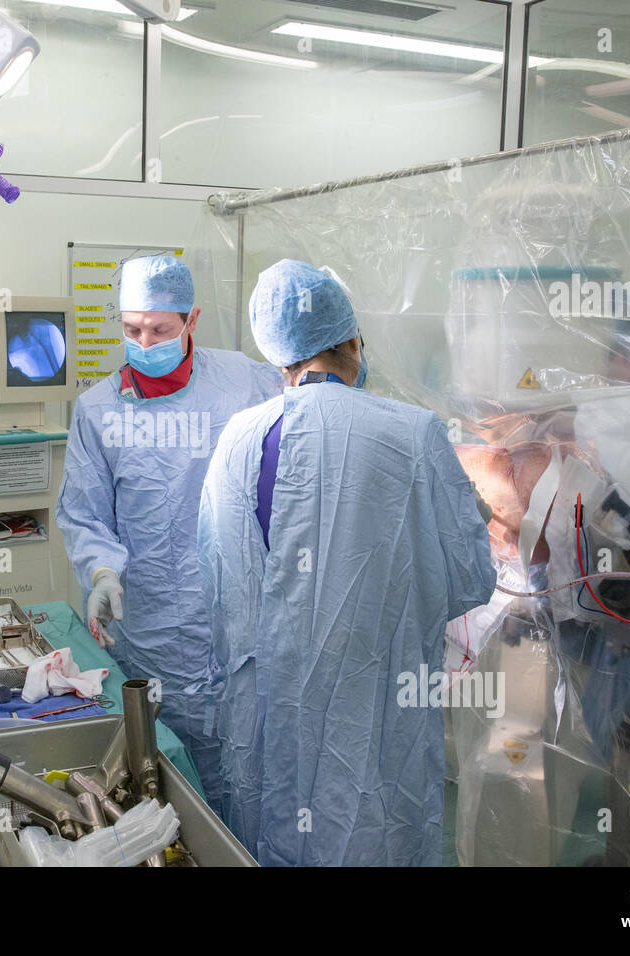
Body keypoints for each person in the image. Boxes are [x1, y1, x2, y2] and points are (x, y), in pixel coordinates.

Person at [198, 259, 496, 865]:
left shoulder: (235, 437)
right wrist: (471, 517)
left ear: (277, 354)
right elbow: (469, 582)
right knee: (364, 835)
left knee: (267, 837)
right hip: (367, 714)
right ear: (354, 339)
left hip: (262, 712)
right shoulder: (413, 434)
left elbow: (216, 580)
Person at [55, 255, 283, 810]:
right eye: (132, 329)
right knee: (162, 774)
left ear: (191, 320)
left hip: (235, 618)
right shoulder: (98, 410)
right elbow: (84, 512)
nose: (145, 340)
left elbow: (314, 408)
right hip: (149, 622)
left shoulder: (242, 382)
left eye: (160, 329)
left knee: (245, 771)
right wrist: (102, 571)